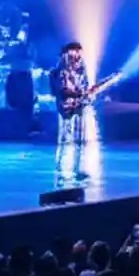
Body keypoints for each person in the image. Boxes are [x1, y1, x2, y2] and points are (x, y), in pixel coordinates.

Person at [50, 42, 92, 185]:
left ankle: (78, 169)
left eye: (78, 52)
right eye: (73, 52)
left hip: (80, 106)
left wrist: (86, 95)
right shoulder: (59, 70)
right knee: (64, 139)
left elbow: (85, 85)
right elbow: (60, 90)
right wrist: (76, 93)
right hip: (65, 107)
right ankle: (60, 169)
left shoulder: (81, 67)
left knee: (80, 139)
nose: (76, 55)